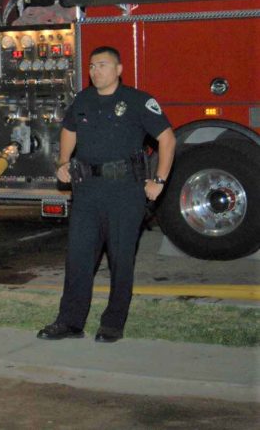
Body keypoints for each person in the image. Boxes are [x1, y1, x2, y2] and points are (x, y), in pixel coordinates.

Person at [38, 45, 176, 343]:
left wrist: (159, 181)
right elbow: (69, 129)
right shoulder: (83, 100)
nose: (95, 71)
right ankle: (70, 322)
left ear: (119, 69)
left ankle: (113, 323)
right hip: (87, 191)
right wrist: (63, 161)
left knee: (120, 258)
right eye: (91, 66)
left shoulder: (138, 101)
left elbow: (167, 138)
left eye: (102, 65)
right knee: (78, 258)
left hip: (125, 191)